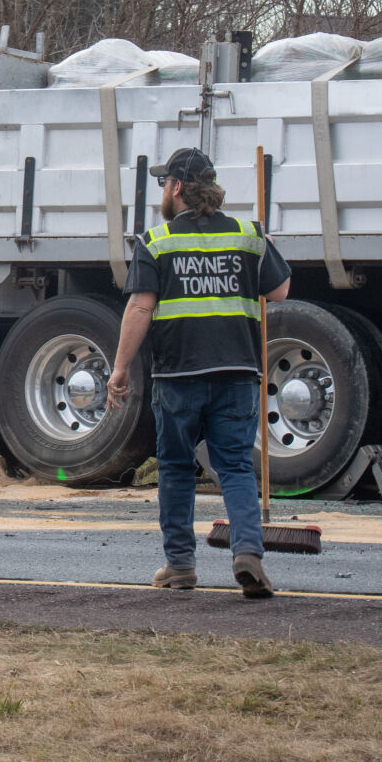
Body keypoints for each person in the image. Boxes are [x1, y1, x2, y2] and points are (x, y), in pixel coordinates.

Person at [108, 147, 291, 598]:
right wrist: (259, 248)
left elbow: (140, 306)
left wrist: (120, 369)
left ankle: (181, 565)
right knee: (233, 467)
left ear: (175, 188)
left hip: (179, 377)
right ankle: (247, 552)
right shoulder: (249, 235)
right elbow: (281, 290)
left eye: (162, 186)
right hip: (237, 372)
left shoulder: (157, 241)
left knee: (174, 467)